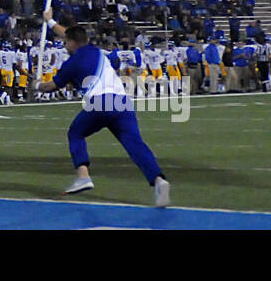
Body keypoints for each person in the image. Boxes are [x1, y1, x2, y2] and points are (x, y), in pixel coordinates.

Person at [34, 12, 170, 207]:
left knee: (75, 133)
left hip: (100, 103)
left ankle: (83, 176)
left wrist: (37, 85)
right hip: (123, 103)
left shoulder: (71, 63)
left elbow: (52, 87)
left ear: (71, 43)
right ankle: (158, 180)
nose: (65, 45)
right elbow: (69, 34)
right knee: (135, 145)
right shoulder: (95, 50)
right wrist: (51, 21)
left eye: (66, 42)